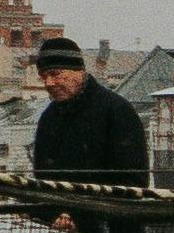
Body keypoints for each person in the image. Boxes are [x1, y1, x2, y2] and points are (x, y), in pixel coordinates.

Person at [31, 37, 148, 192]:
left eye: (55, 74)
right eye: (43, 77)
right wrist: (56, 213)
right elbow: (43, 180)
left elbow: (133, 182)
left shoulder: (117, 111)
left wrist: (78, 212)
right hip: (58, 213)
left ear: (78, 71)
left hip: (105, 213)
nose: (48, 83)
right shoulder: (49, 118)